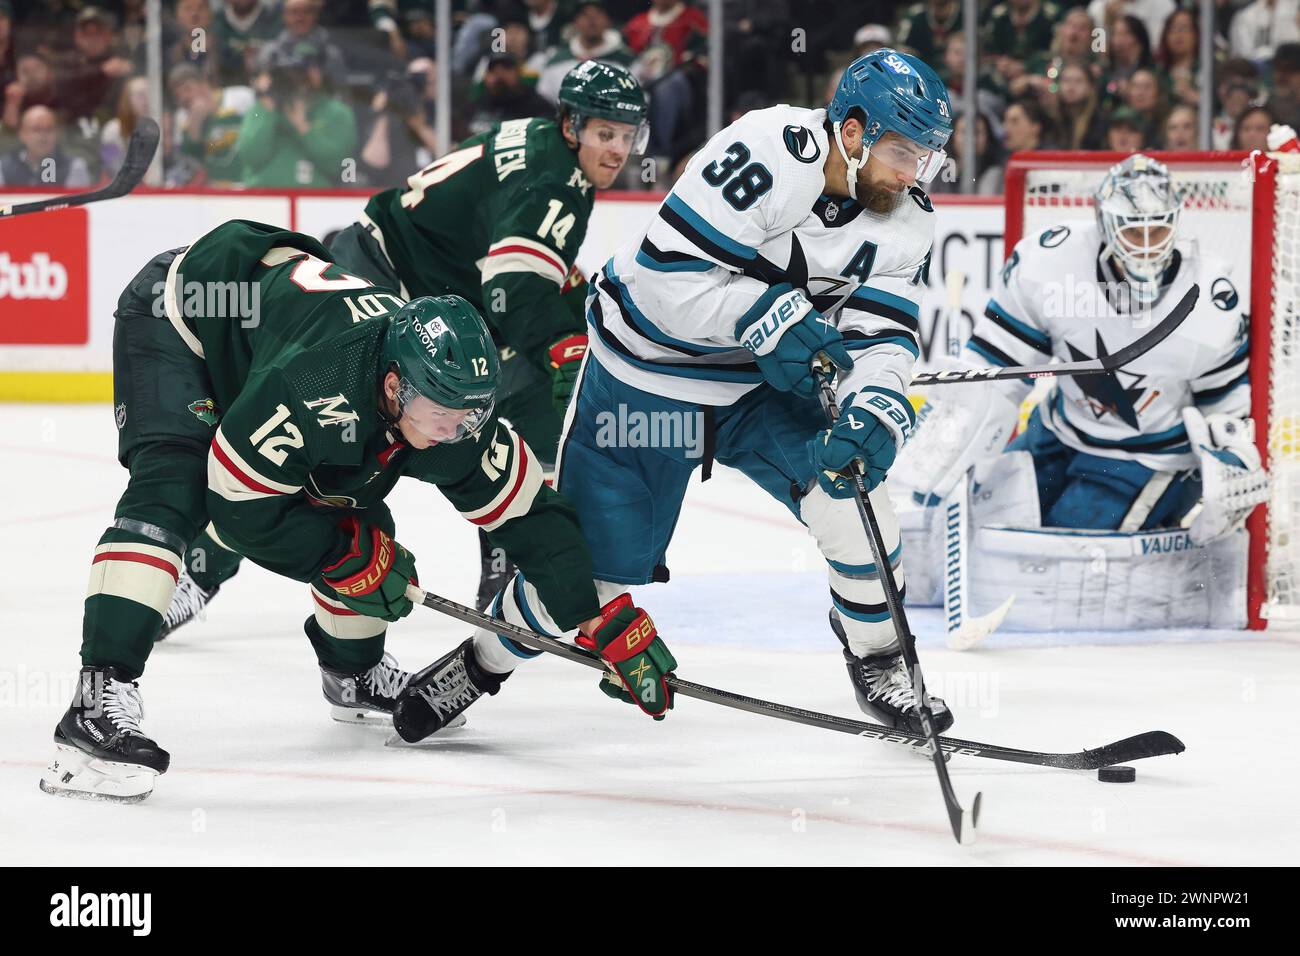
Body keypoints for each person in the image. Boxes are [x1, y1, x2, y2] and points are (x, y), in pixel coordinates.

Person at [39, 219, 674, 802]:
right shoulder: (318, 385)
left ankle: (352, 674)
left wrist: (601, 617)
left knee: (365, 529)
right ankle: (97, 698)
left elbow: (534, 519)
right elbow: (235, 507)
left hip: (269, 333)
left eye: (474, 414)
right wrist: (338, 557)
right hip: (183, 317)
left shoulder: (452, 410)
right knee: (171, 490)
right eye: (447, 416)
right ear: (395, 386)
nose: (462, 431)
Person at [434, 49, 958, 737]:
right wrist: (766, 317)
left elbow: (882, 337)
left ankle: (883, 659)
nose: (912, 172)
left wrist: (878, 403)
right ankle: (479, 662)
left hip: (759, 389)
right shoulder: (766, 150)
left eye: (928, 157)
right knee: (586, 579)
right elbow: (662, 284)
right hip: (648, 379)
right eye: (901, 150)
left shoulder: (907, 217)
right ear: (852, 133)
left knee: (852, 494)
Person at [160, 61, 649, 632]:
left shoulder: (536, 142)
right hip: (387, 290)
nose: (617, 149)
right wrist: (563, 341)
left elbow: (502, 253)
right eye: (604, 133)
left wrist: (561, 307)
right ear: (571, 126)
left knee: (496, 408)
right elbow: (511, 288)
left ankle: (501, 560)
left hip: (392, 269)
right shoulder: (560, 182)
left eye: (626, 135)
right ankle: (202, 570)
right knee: (319, 452)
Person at [900, 154, 1264, 543]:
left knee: (1058, 554)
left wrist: (1230, 466)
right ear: (1106, 225)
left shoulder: (1208, 297)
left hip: (1147, 458)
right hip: (1059, 431)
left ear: (1175, 223)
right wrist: (962, 425)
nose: (1145, 247)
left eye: (1156, 231)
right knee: (987, 529)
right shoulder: (1052, 263)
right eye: (1132, 231)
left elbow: (1225, 407)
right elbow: (998, 365)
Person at [237, 40, 357, 187]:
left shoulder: (338, 113)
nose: (300, 76)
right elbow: (250, 156)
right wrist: (268, 105)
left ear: (322, 72)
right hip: (262, 200)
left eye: (310, 67)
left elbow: (338, 165)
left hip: (316, 203)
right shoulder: (259, 109)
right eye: (294, 70)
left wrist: (303, 128)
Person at [0, 104, 92, 186]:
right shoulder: (3, 167)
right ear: (22, 134)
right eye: (36, 129)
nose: (43, 136)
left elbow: (77, 203)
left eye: (49, 129)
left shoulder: (74, 167)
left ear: (57, 133)